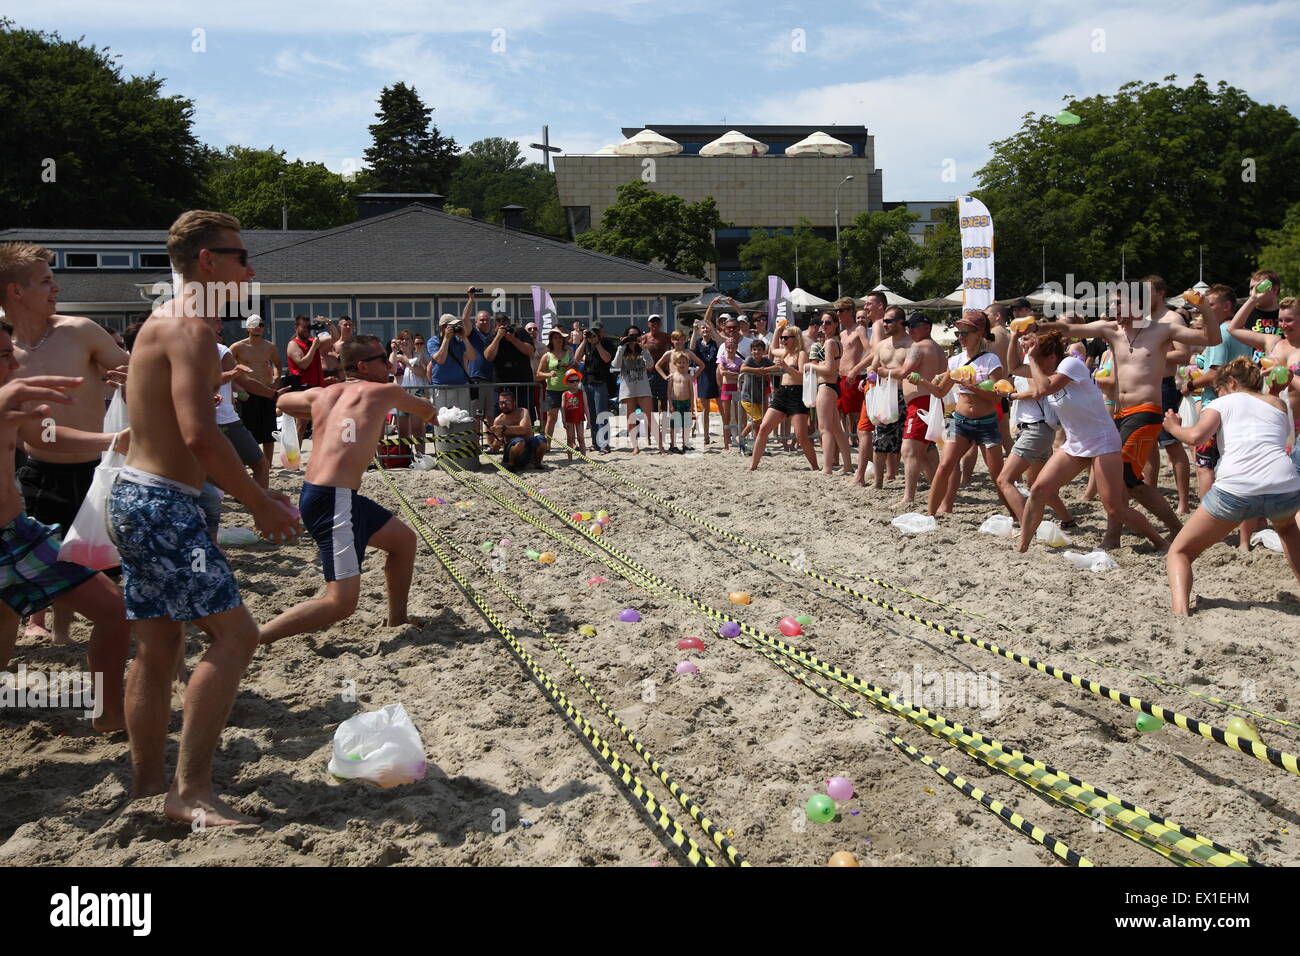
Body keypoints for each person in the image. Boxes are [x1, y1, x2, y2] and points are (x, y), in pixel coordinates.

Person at [111, 210, 301, 826]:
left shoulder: (165, 324)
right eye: (241, 257)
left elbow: (169, 420)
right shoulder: (190, 325)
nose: (250, 268)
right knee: (236, 636)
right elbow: (200, 435)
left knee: (158, 644)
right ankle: (188, 791)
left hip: (137, 497)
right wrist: (261, 500)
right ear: (206, 262)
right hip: (163, 502)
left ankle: (146, 786)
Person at [0, 321, 130, 732]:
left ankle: (108, 714)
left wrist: (112, 441)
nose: (14, 362)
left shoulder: (12, 404)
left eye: (11, 352)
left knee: (114, 612)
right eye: (4, 356)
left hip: (19, 534)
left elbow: (46, 436)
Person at [260, 334, 429, 645]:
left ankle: (398, 619)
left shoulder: (322, 395)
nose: (389, 363)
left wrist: (324, 412)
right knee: (340, 603)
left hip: (326, 495)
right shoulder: (384, 391)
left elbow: (282, 401)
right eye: (383, 359)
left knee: (404, 542)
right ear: (363, 366)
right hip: (333, 500)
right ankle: (253, 638)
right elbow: (428, 411)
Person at [0, 242, 129, 646]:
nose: (56, 289)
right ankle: (43, 624)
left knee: (92, 555)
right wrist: (114, 438)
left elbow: (130, 371)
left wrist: (144, 384)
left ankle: (62, 626)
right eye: (45, 281)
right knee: (51, 550)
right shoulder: (6, 353)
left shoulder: (79, 331)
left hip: (95, 468)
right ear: (16, 291)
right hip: (40, 470)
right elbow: (37, 434)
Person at [1035, 288, 1219, 548]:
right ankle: (1172, 528)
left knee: (1122, 476)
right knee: (1130, 481)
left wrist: (1204, 308)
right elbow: (1069, 330)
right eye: (1112, 305)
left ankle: (1117, 535)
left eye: (1119, 304)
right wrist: (1037, 325)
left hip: (1146, 411)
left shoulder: (1162, 330)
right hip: (1119, 412)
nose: (1114, 310)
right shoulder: (1112, 330)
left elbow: (1212, 338)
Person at [1161, 357, 1300, 614]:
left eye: (1220, 387)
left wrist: (1173, 427)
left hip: (1236, 489)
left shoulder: (1221, 402)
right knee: (1288, 529)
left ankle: (1180, 613)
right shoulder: (1277, 403)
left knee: (1179, 552)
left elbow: (1196, 437)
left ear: (1231, 383)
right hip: (1284, 486)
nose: (1218, 393)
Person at [1012, 331, 1168, 554]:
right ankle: (1022, 547)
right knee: (1038, 489)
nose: (1039, 366)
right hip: (1076, 443)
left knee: (1115, 509)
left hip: (1102, 440)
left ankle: (1160, 542)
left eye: (1040, 360)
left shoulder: (1071, 364)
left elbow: (1044, 388)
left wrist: (1034, 359)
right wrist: (1013, 339)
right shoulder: (1049, 370)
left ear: (1053, 357)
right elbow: (1015, 367)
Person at [925, 311, 1012, 516]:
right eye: (958, 333)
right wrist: (921, 381)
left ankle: (1014, 515)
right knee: (944, 465)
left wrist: (971, 387)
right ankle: (930, 515)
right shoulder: (955, 360)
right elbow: (940, 391)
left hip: (986, 422)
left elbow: (995, 398)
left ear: (979, 332)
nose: (961, 337)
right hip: (960, 420)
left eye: (965, 332)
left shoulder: (992, 360)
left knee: (997, 474)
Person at [995, 325, 1075, 529]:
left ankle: (1028, 527)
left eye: (1026, 340)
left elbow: (1036, 392)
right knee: (1036, 485)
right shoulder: (1034, 366)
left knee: (1004, 480)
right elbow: (1012, 367)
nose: (1023, 344)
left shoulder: (1038, 367)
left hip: (1035, 429)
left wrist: (1010, 396)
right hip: (1041, 430)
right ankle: (1067, 520)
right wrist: (1013, 337)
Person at [747, 323, 818, 471]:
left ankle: (815, 467)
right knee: (763, 429)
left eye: (786, 337)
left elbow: (802, 377)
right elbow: (772, 350)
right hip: (782, 393)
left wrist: (786, 367)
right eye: (782, 338)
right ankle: (753, 466)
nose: (783, 340)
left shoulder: (801, 354)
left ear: (795, 338)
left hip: (797, 394)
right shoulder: (785, 352)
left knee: (801, 437)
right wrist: (777, 331)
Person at [894, 314, 945, 506]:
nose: (910, 330)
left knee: (909, 450)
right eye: (909, 326)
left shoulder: (919, 346)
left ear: (927, 327)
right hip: (931, 401)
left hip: (921, 403)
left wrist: (883, 371)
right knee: (927, 454)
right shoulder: (938, 349)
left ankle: (908, 497)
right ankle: (939, 493)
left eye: (915, 326)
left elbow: (904, 372)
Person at [230, 315, 284, 483]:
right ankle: (248, 465)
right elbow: (228, 368)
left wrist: (276, 380)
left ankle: (266, 467)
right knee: (248, 432)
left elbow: (277, 364)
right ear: (248, 328)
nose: (258, 327)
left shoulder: (269, 347)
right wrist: (236, 390)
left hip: (266, 391)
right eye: (254, 325)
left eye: (260, 325)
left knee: (268, 432)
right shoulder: (238, 347)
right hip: (247, 393)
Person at [867, 306, 910, 487]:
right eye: (884, 320)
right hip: (885, 395)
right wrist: (872, 376)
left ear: (900, 322)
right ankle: (878, 481)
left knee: (910, 442)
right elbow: (872, 367)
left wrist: (886, 372)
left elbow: (909, 370)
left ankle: (911, 480)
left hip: (906, 395)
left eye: (889, 321)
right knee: (880, 440)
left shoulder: (911, 344)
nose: (884, 324)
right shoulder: (882, 345)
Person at [809, 312, 853, 475]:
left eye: (828, 322)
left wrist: (811, 366)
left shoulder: (830, 343)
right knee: (836, 429)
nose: (824, 325)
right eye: (822, 322)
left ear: (835, 324)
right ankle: (847, 465)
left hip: (826, 385)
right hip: (830, 385)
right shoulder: (835, 342)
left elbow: (829, 369)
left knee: (825, 428)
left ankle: (827, 467)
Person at [611, 329, 655, 454]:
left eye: (636, 335)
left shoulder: (643, 350)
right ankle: (635, 446)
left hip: (643, 388)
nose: (633, 338)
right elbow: (616, 365)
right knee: (630, 419)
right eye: (630, 336)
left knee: (650, 418)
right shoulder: (623, 350)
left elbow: (650, 365)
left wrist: (643, 348)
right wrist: (621, 346)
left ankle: (659, 445)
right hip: (628, 389)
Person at [574, 323, 616, 453]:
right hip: (587, 382)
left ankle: (604, 445)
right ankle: (595, 444)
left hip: (601, 382)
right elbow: (577, 357)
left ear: (602, 332)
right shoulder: (587, 343)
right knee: (591, 415)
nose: (595, 334)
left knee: (601, 414)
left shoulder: (607, 343)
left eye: (597, 331)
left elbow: (607, 358)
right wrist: (585, 340)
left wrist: (597, 343)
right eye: (593, 331)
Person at [488, 311, 537, 421]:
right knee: (501, 418)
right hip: (501, 386)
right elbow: (488, 356)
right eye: (500, 323)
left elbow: (530, 351)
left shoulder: (520, 332)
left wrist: (514, 340)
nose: (504, 327)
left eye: (506, 323)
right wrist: (497, 338)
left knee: (525, 417)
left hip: (523, 385)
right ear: (496, 325)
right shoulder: (492, 337)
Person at [428, 312, 478, 417]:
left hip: (461, 386)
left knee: (463, 418)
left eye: (456, 326)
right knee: (442, 420)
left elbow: (472, 357)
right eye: (452, 326)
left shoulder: (459, 340)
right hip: (441, 388)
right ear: (443, 328)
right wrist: (446, 339)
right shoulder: (433, 341)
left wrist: (464, 338)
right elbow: (440, 360)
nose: (455, 328)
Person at [835, 295, 872, 436]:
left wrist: (856, 369)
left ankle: (856, 438)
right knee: (840, 411)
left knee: (854, 412)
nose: (838, 313)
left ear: (850, 311)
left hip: (853, 375)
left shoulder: (859, 329)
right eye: (837, 310)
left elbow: (870, 352)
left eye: (841, 310)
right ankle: (847, 437)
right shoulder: (842, 333)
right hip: (839, 375)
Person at [487, 389, 548, 471]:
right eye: (501, 403)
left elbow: (524, 430)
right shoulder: (499, 420)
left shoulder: (523, 412)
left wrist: (504, 428)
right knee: (519, 442)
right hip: (512, 452)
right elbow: (494, 448)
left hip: (528, 451)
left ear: (514, 402)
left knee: (542, 440)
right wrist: (497, 443)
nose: (504, 405)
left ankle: (537, 463)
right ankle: (511, 465)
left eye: (507, 403)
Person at [690, 304, 723, 445]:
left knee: (722, 407)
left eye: (707, 328)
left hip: (716, 375)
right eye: (703, 328)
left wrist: (712, 328)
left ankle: (727, 433)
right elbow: (691, 349)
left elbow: (721, 341)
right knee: (705, 410)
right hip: (703, 376)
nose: (705, 330)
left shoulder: (716, 342)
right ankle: (705, 436)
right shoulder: (697, 343)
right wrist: (694, 330)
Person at [737, 338, 776, 454]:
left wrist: (765, 370)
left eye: (759, 350)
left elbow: (776, 367)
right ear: (751, 351)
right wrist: (757, 370)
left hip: (759, 397)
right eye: (754, 350)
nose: (757, 352)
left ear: (764, 351)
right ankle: (741, 436)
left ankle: (756, 446)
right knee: (758, 420)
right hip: (747, 397)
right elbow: (742, 368)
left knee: (758, 424)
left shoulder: (765, 361)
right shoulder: (749, 359)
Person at [536, 329, 575, 443]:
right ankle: (547, 444)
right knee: (551, 419)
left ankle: (571, 442)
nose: (558, 340)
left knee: (568, 419)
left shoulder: (568, 353)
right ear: (551, 340)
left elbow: (576, 368)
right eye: (556, 338)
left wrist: (570, 368)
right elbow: (538, 374)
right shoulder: (547, 356)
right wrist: (549, 374)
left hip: (568, 390)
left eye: (560, 337)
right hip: (552, 390)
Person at [641, 314, 672, 442]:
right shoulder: (644, 338)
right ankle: (650, 434)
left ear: (660, 324)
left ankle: (663, 431)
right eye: (652, 322)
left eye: (657, 322)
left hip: (663, 372)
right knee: (651, 404)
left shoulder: (665, 336)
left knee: (664, 402)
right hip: (649, 374)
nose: (655, 324)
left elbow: (677, 347)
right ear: (648, 324)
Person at [664, 350, 701, 453]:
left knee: (686, 425)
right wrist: (670, 404)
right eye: (679, 362)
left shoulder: (689, 377)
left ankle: (685, 444)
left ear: (688, 364)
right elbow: (669, 391)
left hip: (686, 403)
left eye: (684, 362)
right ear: (675, 363)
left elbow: (692, 392)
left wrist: (692, 405)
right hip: (675, 403)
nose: (682, 364)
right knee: (674, 425)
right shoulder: (672, 376)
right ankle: (673, 445)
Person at [560, 370, 587, 459]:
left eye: (577, 380)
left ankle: (584, 457)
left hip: (579, 418)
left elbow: (586, 407)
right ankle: (570, 458)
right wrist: (563, 420)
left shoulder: (582, 393)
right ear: (567, 383)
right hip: (569, 419)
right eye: (572, 381)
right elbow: (563, 408)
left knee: (581, 438)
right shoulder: (565, 394)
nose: (575, 383)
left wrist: (589, 420)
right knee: (570, 439)